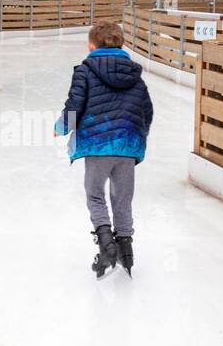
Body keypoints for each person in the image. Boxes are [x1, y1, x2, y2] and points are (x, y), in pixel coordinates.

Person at [54, 21, 154, 279]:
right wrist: (136, 136)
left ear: (91, 45)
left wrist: (62, 127)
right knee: (123, 198)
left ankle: (107, 244)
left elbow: (75, 103)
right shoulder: (135, 75)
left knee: (95, 195)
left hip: (97, 146)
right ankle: (126, 249)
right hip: (128, 146)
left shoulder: (85, 70)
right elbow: (147, 111)